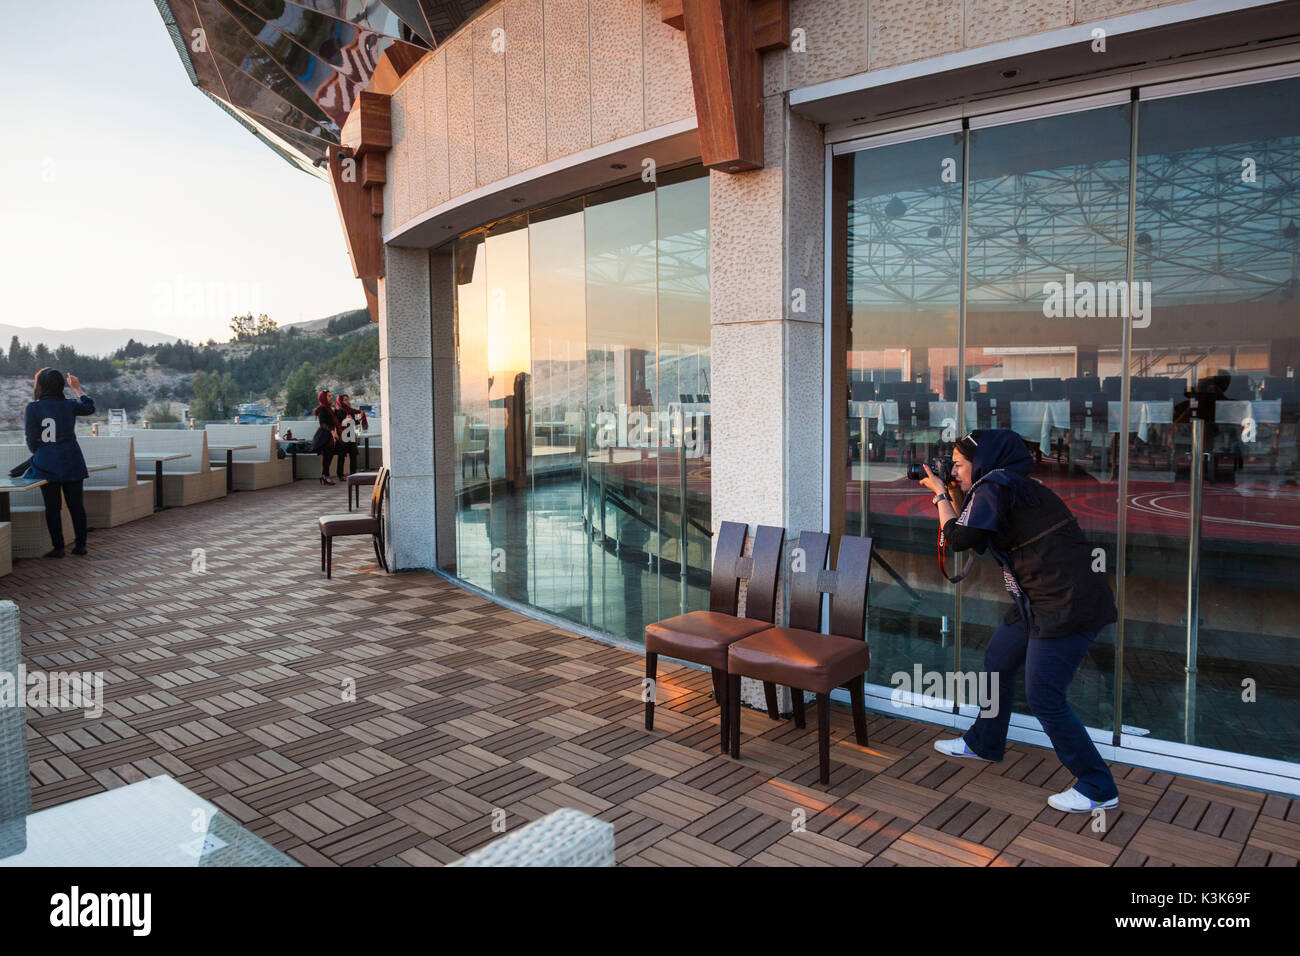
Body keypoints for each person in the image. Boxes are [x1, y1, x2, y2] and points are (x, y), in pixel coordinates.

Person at [920, 428, 1120, 813]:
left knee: (1045, 695)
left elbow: (960, 540)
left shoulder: (996, 484)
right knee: (998, 659)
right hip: (1038, 600)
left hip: (1064, 605)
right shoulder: (1002, 483)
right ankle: (984, 741)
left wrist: (942, 496)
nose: (954, 470)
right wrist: (954, 494)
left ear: (981, 462)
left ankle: (1098, 784)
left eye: (959, 464)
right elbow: (977, 536)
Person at [24, 368, 94, 558]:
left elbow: (31, 441)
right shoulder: (70, 405)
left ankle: (58, 548)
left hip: (46, 464)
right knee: (76, 506)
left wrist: (42, 452)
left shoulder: (33, 408)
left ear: (42, 386)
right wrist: (77, 388)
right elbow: (89, 407)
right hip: (72, 460)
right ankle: (81, 546)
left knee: (52, 508)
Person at [333, 393, 369, 480]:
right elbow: (337, 423)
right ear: (341, 401)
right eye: (345, 400)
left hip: (351, 435)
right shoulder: (338, 411)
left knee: (353, 455)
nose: (348, 401)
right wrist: (346, 420)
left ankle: (353, 474)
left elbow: (354, 422)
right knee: (342, 456)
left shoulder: (350, 411)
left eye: (348, 399)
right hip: (343, 435)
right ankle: (340, 475)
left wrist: (360, 419)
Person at [311, 389, 341, 485]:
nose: (331, 397)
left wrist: (335, 408)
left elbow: (336, 419)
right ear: (323, 398)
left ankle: (325, 476)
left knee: (329, 456)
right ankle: (325, 476)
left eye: (330, 395)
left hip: (330, 436)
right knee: (327, 457)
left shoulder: (329, 409)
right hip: (325, 436)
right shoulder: (322, 409)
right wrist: (332, 431)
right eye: (328, 396)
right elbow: (322, 423)